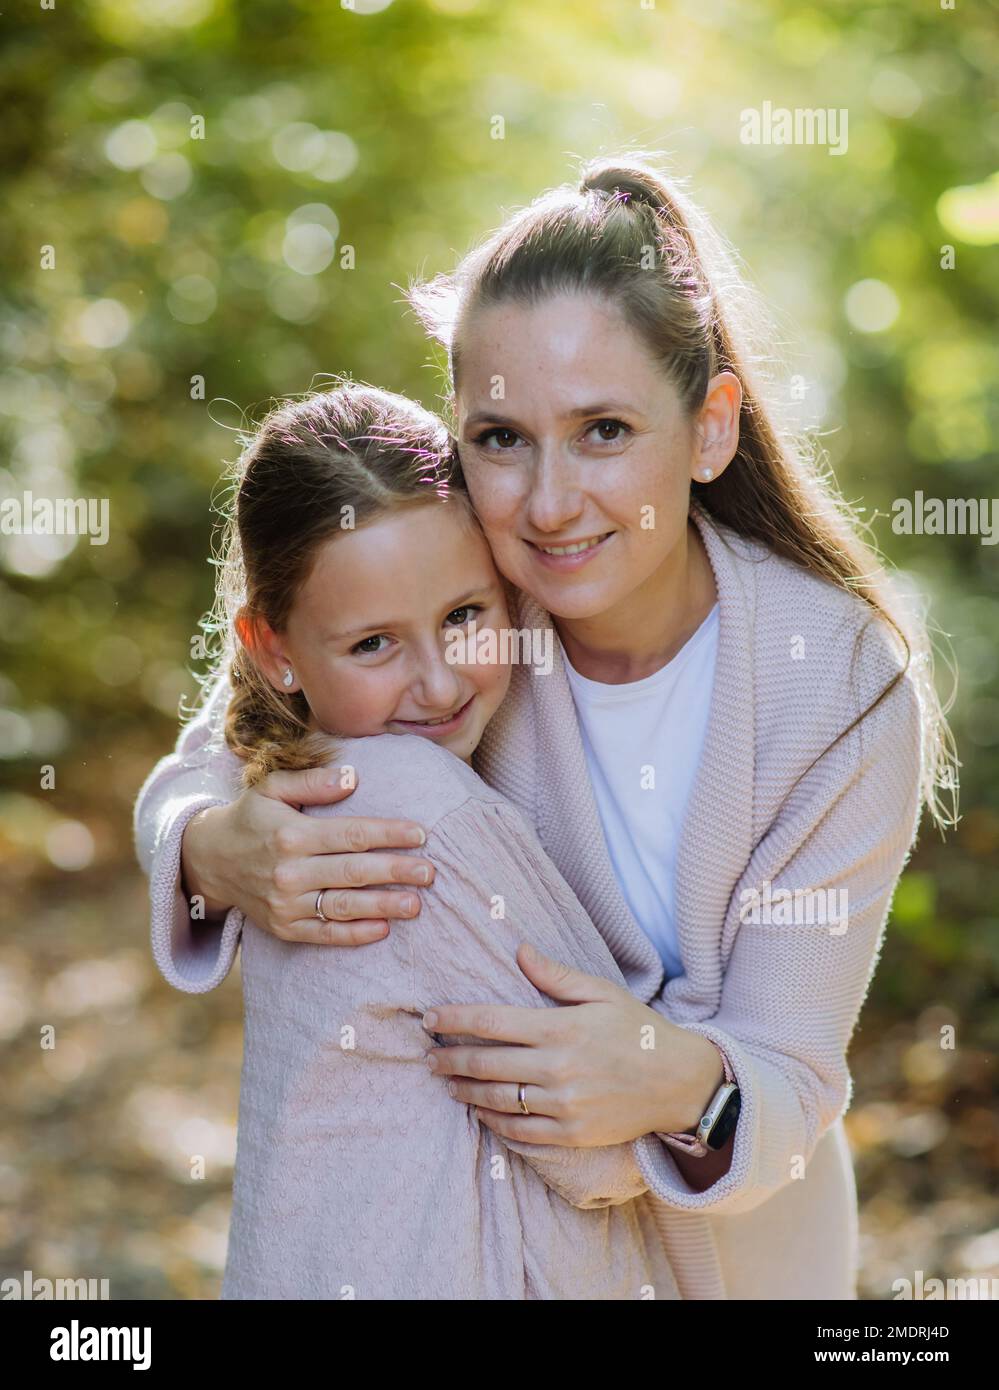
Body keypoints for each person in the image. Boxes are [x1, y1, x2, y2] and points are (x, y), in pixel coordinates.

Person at [135, 153, 955, 1299]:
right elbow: (231, 728)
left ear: (710, 428)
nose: (551, 502)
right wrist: (206, 846)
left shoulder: (837, 681)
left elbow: (792, 1075)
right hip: (492, 1232)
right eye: (503, 436)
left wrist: (670, 1076)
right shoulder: (469, 591)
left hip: (729, 1252)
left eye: (606, 430)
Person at [151, 379, 682, 1299]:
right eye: (373, 646)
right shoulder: (415, 805)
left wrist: (195, 842)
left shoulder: (301, 764)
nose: (438, 687)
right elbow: (606, 1155)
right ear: (273, 649)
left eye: (463, 617)